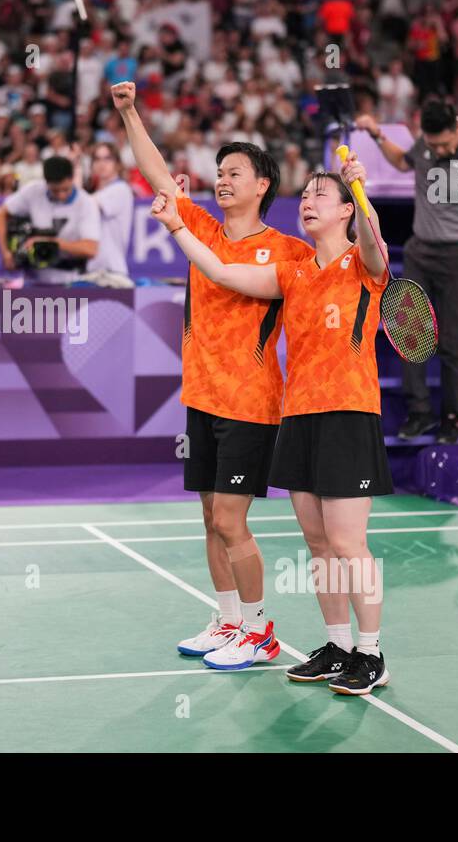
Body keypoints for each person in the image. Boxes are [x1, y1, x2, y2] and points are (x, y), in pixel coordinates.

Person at [150, 156, 394, 695]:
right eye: (303, 195)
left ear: (346, 212)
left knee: (350, 543)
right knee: (319, 543)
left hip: (349, 413)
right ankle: (336, 644)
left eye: (320, 196)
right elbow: (220, 271)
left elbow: (376, 240)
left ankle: (372, 651)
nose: (307, 202)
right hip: (299, 415)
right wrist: (176, 229)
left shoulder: (364, 267)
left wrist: (356, 181)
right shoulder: (293, 272)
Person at [112, 79, 314, 671]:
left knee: (231, 518)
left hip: (251, 402)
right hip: (201, 394)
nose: (221, 179)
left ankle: (258, 630)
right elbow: (156, 174)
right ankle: (226, 618)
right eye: (218, 171)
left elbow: (239, 275)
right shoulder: (204, 226)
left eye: (233, 172)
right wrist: (129, 115)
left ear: (262, 185)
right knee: (209, 516)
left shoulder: (285, 251)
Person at [355, 98, 458, 443]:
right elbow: (400, 160)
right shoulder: (424, 144)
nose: (436, 150)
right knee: (412, 336)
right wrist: (378, 134)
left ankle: (451, 418)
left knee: (452, 341)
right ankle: (419, 413)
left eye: (442, 143)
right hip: (420, 252)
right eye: (431, 143)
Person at [0, 154, 100, 283]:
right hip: (34, 278)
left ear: (72, 179)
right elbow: (0, 215)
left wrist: (51, 243)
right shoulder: (33, 191)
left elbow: (90, 249)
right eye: (55, 190)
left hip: (70, 279)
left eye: (65, 189)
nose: (61, 195)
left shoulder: (86, 203)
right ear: (46, 182)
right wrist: (6, 252)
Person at [84, 142, 134, 278]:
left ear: (117, 164)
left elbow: (83, 205)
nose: (102, 164)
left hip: (111, 271)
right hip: (92, 270)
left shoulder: (121, 189)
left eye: (107, 158)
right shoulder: (94, 193)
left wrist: (75, 170)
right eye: (97, 159)